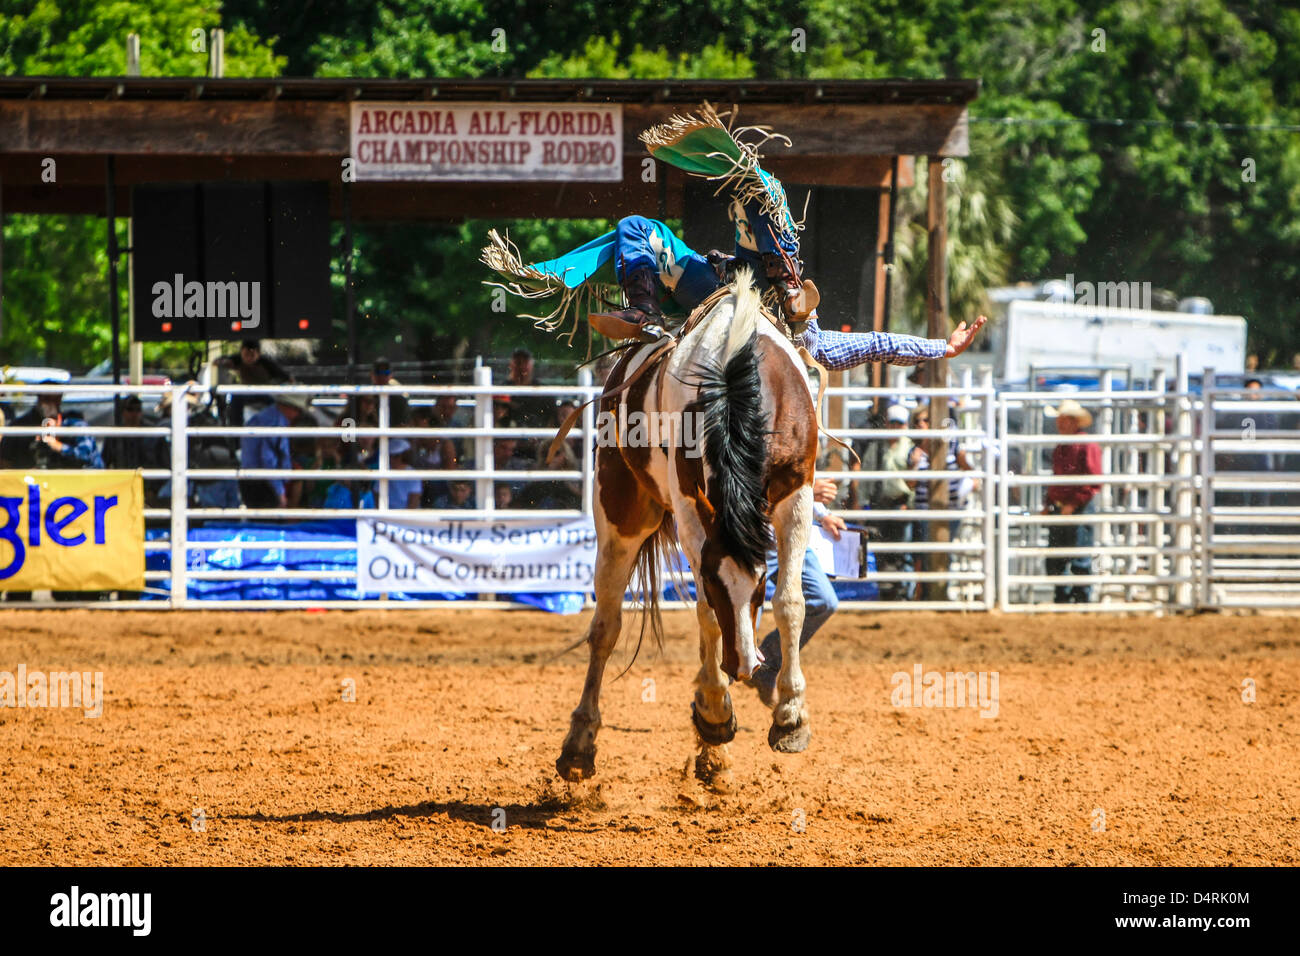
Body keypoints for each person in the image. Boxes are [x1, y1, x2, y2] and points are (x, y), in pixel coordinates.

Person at [746, 477, 845, 705]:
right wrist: (802, 489)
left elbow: (800, 472)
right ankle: (712, 696)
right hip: (749, 537)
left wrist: (822, 514)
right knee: (743, 632)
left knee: (823, 601)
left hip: (791, 535)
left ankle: (768, 663)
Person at [1043, 399, 1102, 604]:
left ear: (1074, 421)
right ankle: (1063, 597)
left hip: (1079, 508)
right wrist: (1049, 504)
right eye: (1060, 418)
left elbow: (1094, 480)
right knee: (1057, 557)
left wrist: (1073, 503)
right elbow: (1056, 478)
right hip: (1063, 507)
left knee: (1079, 557)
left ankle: (1081, 599)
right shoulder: (1062, 445)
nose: (1060, 423)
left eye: (1064, 419)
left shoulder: (1085, 444)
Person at [240, 393, 312, 509]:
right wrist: (279, 493)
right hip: (264, 485)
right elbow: (268, 460)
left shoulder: (265, 418)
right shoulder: (275, 424)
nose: (297, 416)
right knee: (270, 522)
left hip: (255, 480)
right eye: (298, 412)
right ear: (290, 408)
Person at [0, 392, 104, 470]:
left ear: (59, 419)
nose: (48, 428)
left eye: (50, 423)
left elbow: (85, 456)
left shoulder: (77, 426)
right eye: (45, 424)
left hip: (90, 483)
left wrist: (57, 445)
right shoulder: (39, 436)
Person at [216, 339, 293, 425]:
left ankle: (278, 425)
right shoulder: (236, 359)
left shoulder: (266, 363)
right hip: (246, 392)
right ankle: (235, 428)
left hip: (265, 392)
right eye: (246, 355)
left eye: (252, 355)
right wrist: (225, 363)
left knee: (277, 404)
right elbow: (217, 362)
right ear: (241, 353)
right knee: (235, 397)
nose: (249, 358)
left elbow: (287, 377)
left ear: (258, 354)